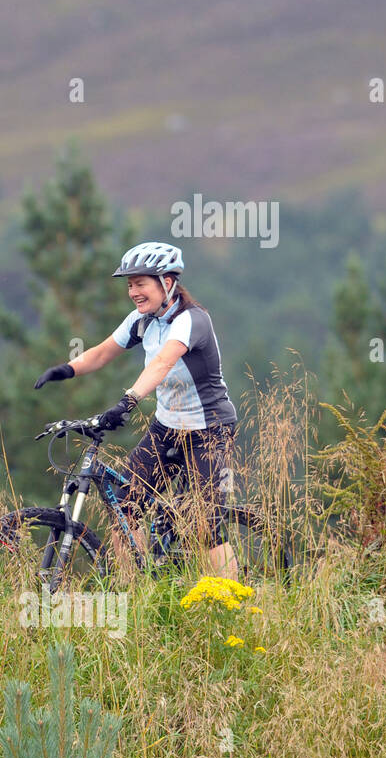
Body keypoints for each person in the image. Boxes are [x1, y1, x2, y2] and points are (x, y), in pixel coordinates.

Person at [33, 243, 239, 577]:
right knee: (124, 509)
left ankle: (237, 603)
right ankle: (140, 592)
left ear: (167, 282)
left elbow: (162, 363)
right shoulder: (141, 321)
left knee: (206, 525)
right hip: (166, 426)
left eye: (140, 283)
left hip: (209, 430)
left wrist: (128, 401)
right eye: (129, 285)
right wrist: (66, 370)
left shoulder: (192, 321)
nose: (132, 292)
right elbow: (100, 353)